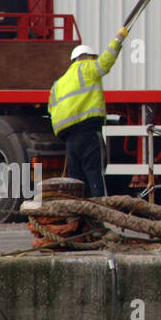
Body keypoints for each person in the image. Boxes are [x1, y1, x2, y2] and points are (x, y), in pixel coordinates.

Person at [48, 27, 128, 197]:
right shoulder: (86, 69)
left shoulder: (58, 84)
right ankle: (100, 214)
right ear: (87, 58)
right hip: (88, 132)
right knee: (95, 174)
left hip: (69, 139)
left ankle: (79, 219)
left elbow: (51, 110)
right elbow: (105, 62)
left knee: (76, 182)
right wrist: (119, 39)